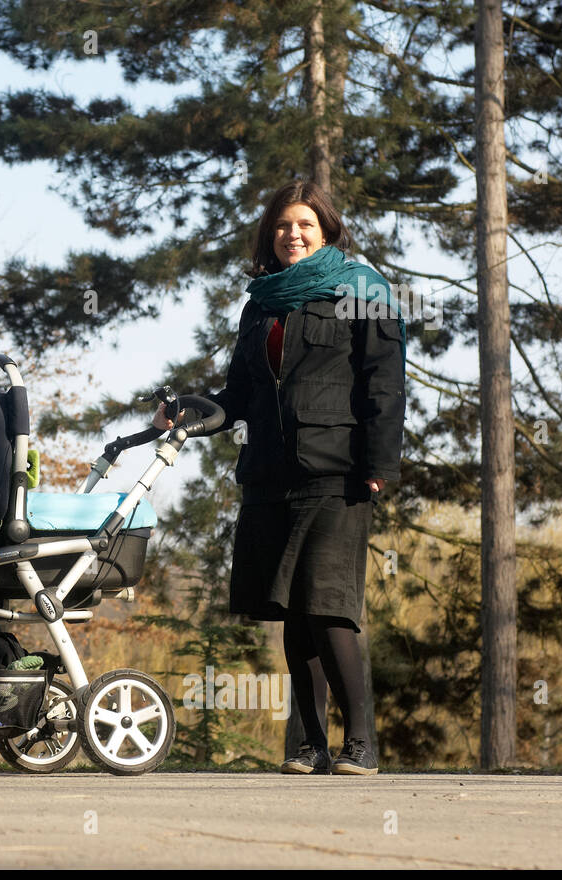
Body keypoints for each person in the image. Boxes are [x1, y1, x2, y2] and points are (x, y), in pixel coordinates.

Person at [157, 180, 406, 775]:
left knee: (329, 605)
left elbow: (384, 383)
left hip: (338, 473)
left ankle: (361, 745)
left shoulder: (363, 291)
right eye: (282, 225)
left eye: (305, 225)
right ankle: (310, 746)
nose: (292, 234)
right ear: (270, 234)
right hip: (270, 473)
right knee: (292, 610)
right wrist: (187, 409)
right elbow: (239, 396)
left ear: (326, 232)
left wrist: (379, 464)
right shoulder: (261, 304)